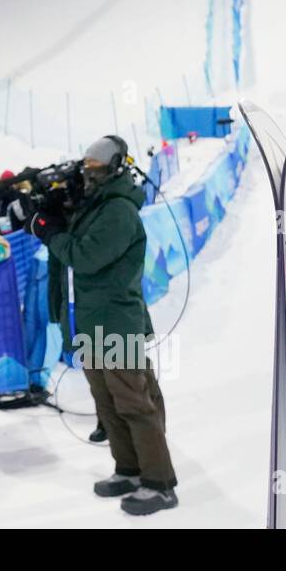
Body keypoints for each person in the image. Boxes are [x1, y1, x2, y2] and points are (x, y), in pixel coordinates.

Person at [31, 136, 178, 515]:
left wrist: (51, 234)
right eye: (86, 166)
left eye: (95, 167)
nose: (88, 173)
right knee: (108, 404)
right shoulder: (95, 205)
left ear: (114, 167)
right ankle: (129, 469)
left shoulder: (118, 211)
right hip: (94, 322)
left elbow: (85, 256)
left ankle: (159, 482)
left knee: (134, 402)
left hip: (117, 323)